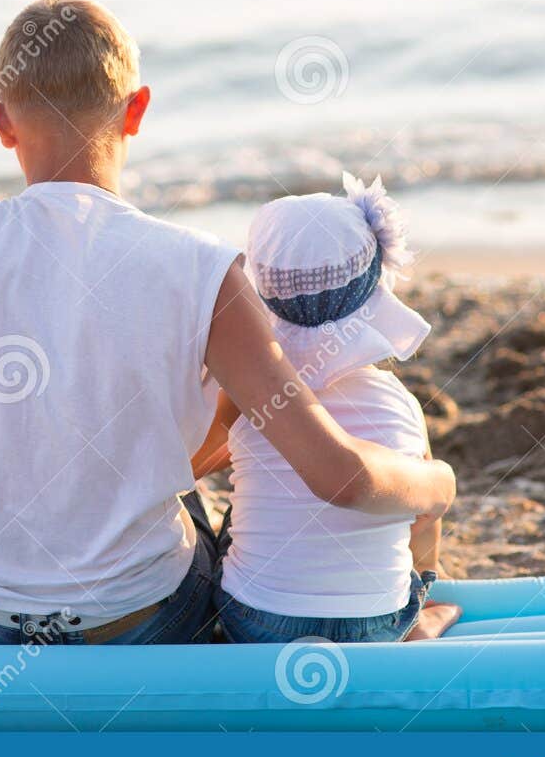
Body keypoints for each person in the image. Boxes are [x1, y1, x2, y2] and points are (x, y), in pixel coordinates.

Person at [0, 0, 456, 645]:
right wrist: (440, 483)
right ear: (137, 109)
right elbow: (331, 467)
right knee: (191, 513)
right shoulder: (199, 267)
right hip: (137, 622)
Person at [192, 174, 462, 643]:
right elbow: (423, 518)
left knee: (239, 508)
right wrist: (423, 573)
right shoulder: (401, 403)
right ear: (375, 278)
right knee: (414, 498)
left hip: (255, 621)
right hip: (377, 622)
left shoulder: (246, 392)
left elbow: (198, 460)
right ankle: (421, 618)